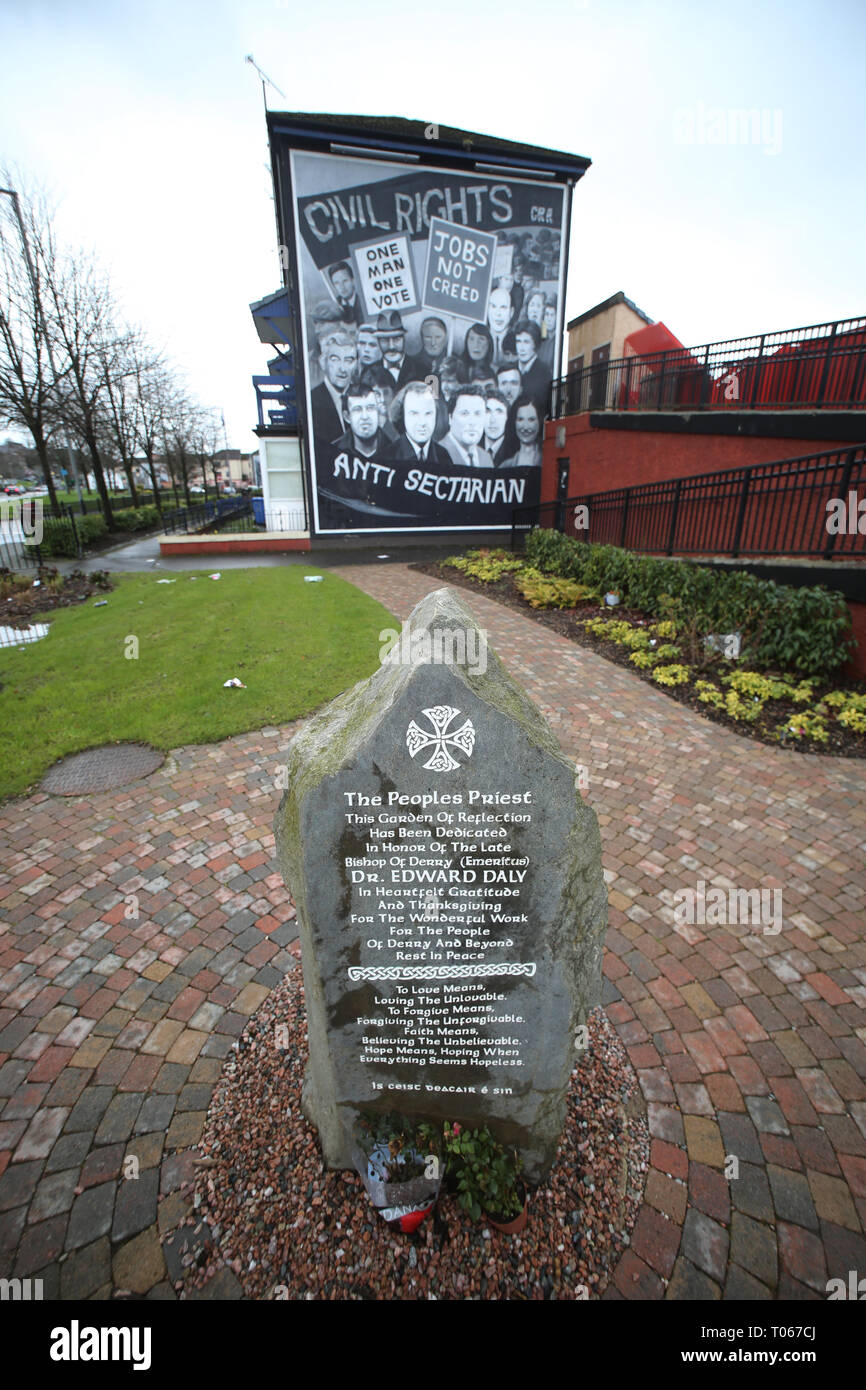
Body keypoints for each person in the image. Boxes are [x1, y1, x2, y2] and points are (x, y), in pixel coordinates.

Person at [384, 381, 452, 468]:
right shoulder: (386, 459)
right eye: (414, 414)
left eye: (428, 414)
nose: (422, 422)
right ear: (402, 415)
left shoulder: (444, 456)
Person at [310, 332, 357, 444]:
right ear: (323, 362)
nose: (342, 369)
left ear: (356, 364)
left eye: (348, 360)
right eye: (335, 359)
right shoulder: (311, 401)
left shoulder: (365, 396)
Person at [440, 384, 494, 469]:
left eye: (478, 414)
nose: (472, 422)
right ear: (450, 418)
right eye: (464, 413)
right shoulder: (436, 455)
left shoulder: (486, 458)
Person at [334, 383, 387, 461]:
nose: (365, 417)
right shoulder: (334, 452)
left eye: (370, 408)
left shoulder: (396, 449)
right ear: (347, 417)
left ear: (378, 413)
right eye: (357, 410)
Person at [512, 319, 552, 412]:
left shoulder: (544, 372)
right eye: (518, 341)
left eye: (526, 342)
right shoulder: (510, 368)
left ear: (535, 344)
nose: (521, 348)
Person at [374, 311, 417, 391]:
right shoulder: (369, 374)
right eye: (385, 340)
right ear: (378, 341)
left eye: (396, 339)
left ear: (404, 339)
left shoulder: (422, 371)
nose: (391, 346)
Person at [499, 394, 543, 468]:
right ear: (514, 422)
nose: (525, 427)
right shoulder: (505, 466)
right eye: (520, 419)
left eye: (531, 420)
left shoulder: (547, 459)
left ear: (540, 421)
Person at [328, 262, 364, 326]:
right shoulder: (333, 307)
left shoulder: (364, 303)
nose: (342, 287)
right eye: (336, 283)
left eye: (345, 281)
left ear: (353, 280)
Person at [486, 288, 514, 366]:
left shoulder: (517, 341)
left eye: (503, 308)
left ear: (511, 312)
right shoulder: (480, 339)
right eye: (493, 306)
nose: (498, 313)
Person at [483, 388, 510, 466]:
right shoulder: (472, 447)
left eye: (499, 412)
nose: (492, 420)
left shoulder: (514, 450)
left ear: (507, 417)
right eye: (487, 411)